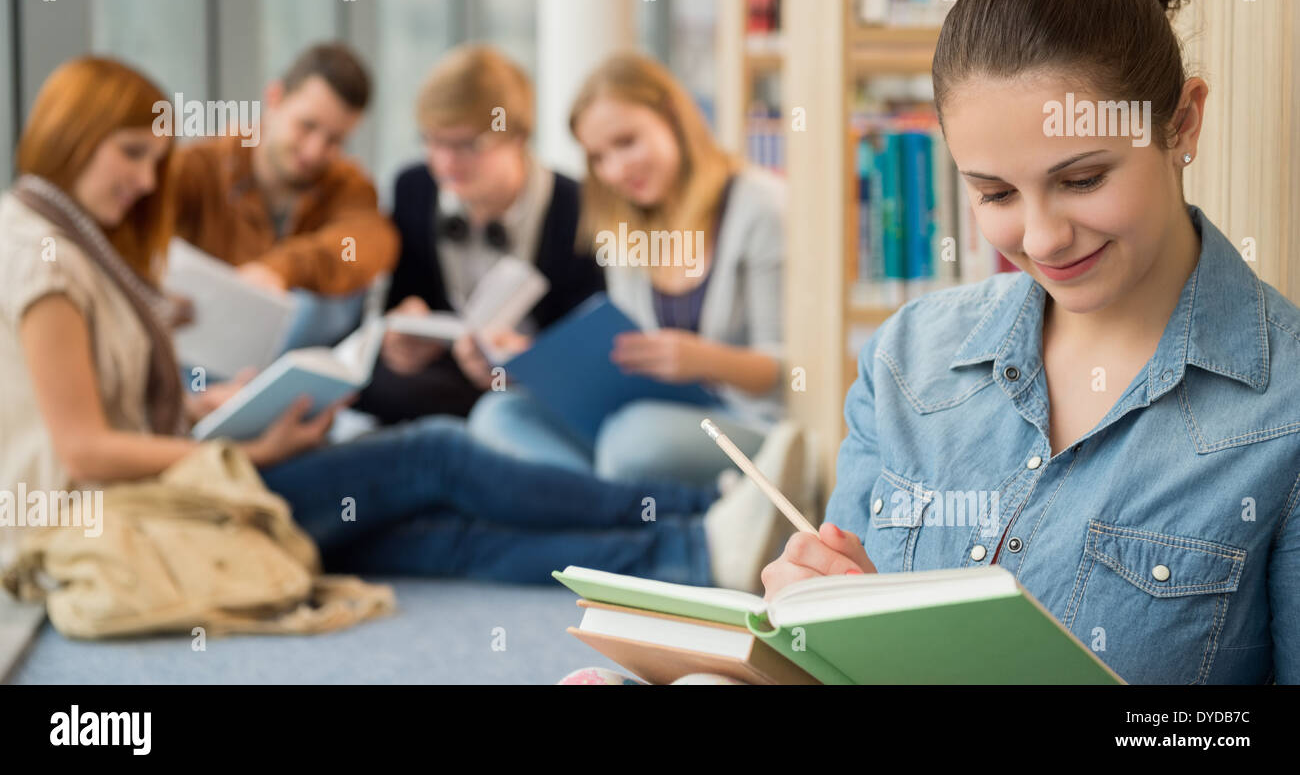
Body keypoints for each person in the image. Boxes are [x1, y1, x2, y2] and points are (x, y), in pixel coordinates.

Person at [0, 56, 808, 596]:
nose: (147, 183)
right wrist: (239, 447)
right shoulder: (46, 261)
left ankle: (693, 548)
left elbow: (99, 418)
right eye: (133, 155)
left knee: (442, 540)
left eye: (154, 158)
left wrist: (211, 407)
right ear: (74, 137)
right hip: (148, 504)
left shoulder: (54, 241)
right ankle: (693, 528)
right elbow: (84, 450)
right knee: (436, 456)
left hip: (157, 489)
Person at [761, 0, 1300, 685]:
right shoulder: (909, 359)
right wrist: (810, 619)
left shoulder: (1284, 409)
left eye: (1082, 180)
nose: (1043, 238)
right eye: (996, 193)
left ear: (1181, 123)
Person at [466, 52, 789, 487]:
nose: (615, 171)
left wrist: (704, 360)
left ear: (672, 116)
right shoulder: (624, 227)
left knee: (632, 441)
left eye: (626, 143)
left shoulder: (759, 207)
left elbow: (789, 369)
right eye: (598, 157)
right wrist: (532, 357)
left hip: (742, 425)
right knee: (498, 414)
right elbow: (626, 353)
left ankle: (601, 509)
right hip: (642, 419)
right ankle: (608, 509)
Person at [355, 44, 604, 423]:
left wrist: (525, 361)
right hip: (437, 380)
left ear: (518, 136)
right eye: (433, 141)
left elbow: (587, 345)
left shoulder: (578, 208)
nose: (446, 162)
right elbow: (402, 296)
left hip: (531, 391)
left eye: (468, 145)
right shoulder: (415, 188)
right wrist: (403, 332)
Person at [170, 41, 399, 300]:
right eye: (307, 125)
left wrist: (283, 269)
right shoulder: (199, 167)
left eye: (335, 140)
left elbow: (369, 241)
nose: (314, 151)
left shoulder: (346, 183)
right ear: (275, 98)